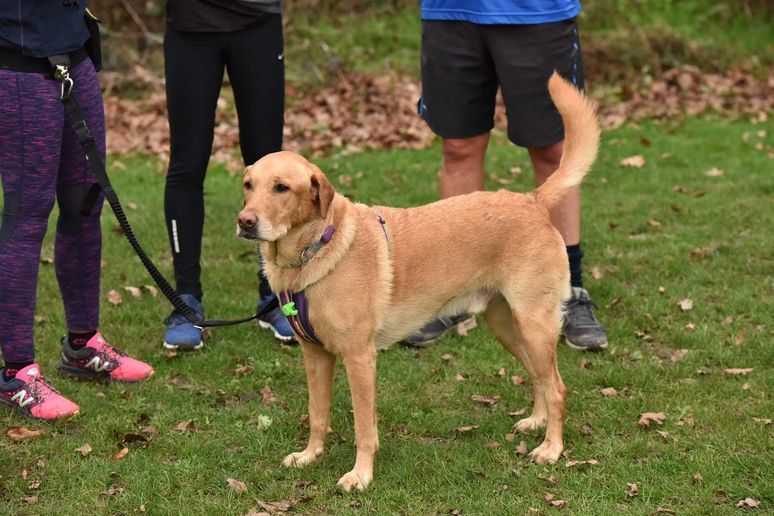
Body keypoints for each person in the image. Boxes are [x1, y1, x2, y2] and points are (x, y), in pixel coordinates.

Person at [406, 0, 608, 351]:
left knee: (551, 150)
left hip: (536, 13)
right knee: (458, 147)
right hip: (451, 14)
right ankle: (456, 291)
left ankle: (570, 290)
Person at [0, 3, 154, 420]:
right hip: (20, 68)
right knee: (28, 214)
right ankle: (17, 373)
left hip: (75, 59)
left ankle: (83, 346)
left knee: (85, 202)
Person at [161, 0, 294, 350]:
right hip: (189, 26)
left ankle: (273, 295)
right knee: (187, 165)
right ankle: (186, 300)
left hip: (257, 23)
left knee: (267, 164)